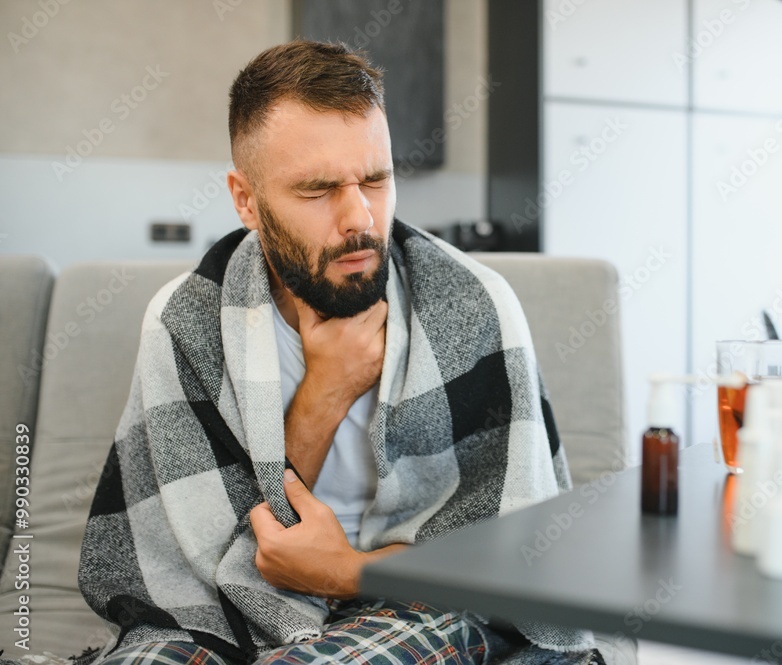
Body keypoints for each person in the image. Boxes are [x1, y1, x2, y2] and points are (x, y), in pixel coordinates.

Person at [76, 41, 610, 665]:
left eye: (376, 180)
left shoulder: (474, 305)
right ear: (246, 200)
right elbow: (199, 561)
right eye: (317, 190)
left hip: (421, 600)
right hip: (227, 606)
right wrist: (326, 388)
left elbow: (513, 561)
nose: (359, 219)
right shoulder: (187, 320)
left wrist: (349, 573)